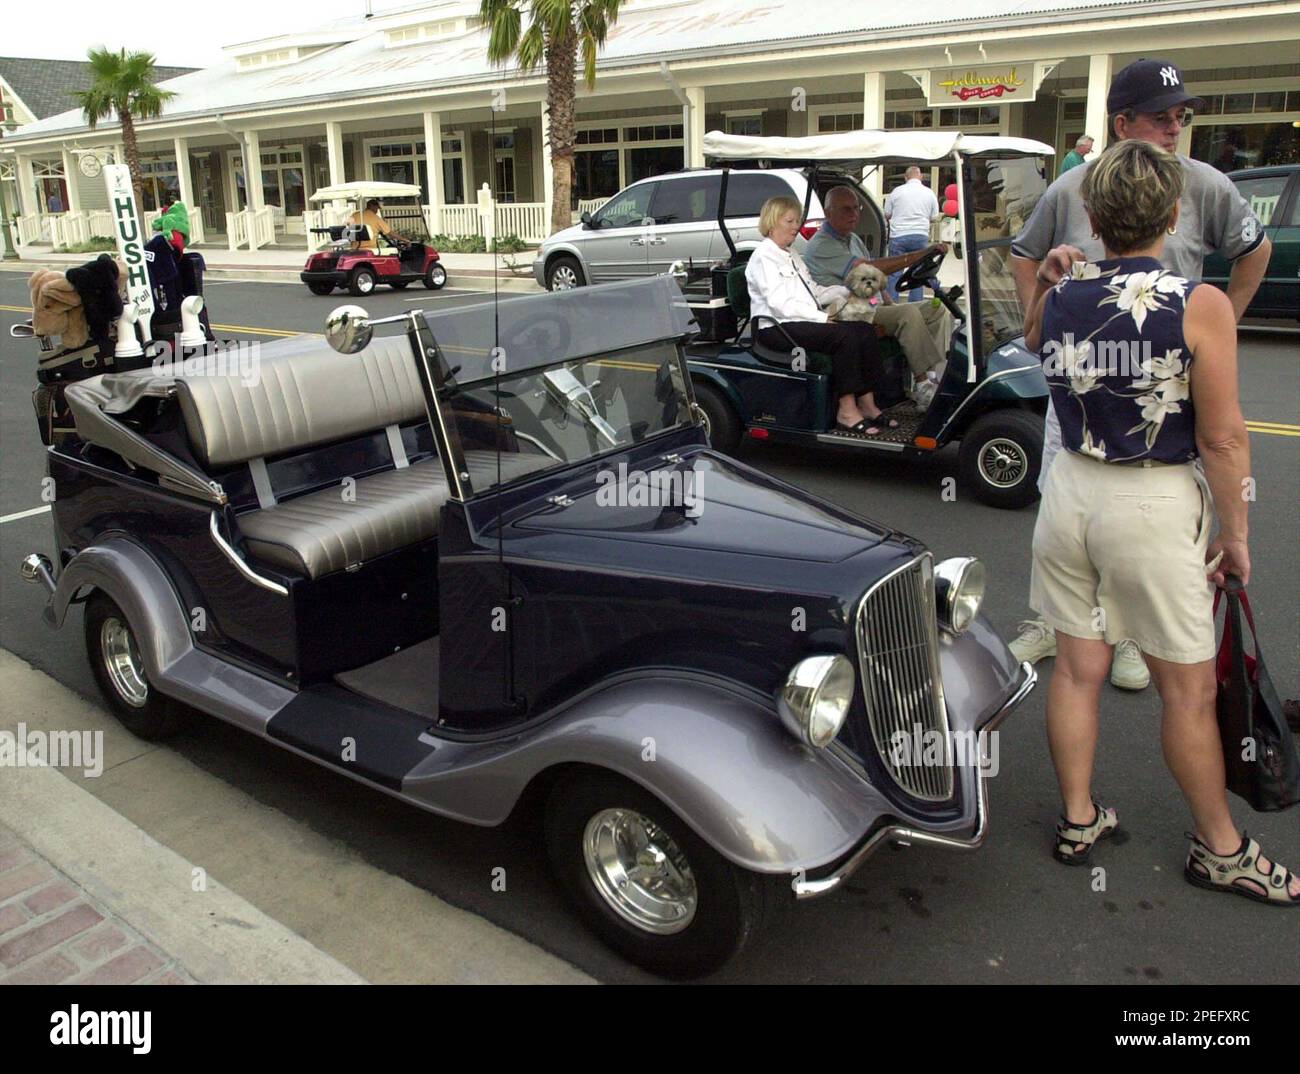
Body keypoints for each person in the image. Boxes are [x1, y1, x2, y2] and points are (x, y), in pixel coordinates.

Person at [1024, 137, 1296, 906]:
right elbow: (1222, 437)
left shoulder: (1065, 292)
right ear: (1174, 215)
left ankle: (1079, 818)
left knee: (1079, 668)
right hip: (1148, 502)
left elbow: (1038, 342)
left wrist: (1050, 277)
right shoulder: (1198, 304)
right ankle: (1221, 847)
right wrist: (1235, 533)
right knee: (1188, 692)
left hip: (1069, 489)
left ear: (1094, 217)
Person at [1008, 57, 1271, 691]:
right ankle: (1058, 621)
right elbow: (1024, 253)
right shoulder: (1073, 188)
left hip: (1163, 382)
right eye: (1161, 117)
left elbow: (1253, 249)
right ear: (1123, 122)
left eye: (1181, 116)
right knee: (1064, 498)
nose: (1175, 128)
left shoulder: (1203, 183)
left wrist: (1224, 324)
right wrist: (1034, 319)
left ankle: (1126, 635)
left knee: (1145, 513)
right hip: (1078, 379)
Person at [746, 195, 896, 435]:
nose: (796, 226)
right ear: (773, 222)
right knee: (842, 336)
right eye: (790, 221)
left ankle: (867, 404)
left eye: (797, 221)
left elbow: (813, 291)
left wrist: (847, 290)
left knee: (864, 330)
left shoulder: (791, 254)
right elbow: (779, 304)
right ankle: (846, 410)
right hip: (776, 327)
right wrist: (821, 318)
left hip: (799, 321)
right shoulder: (764, 257)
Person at [804, 185, 952, 381]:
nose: (854, 214)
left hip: (868, 306)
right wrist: (918, 255)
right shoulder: (822, 244)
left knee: (937, 308)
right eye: (846, 209)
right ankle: (923, 383)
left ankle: (934, 376)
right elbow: (869, 270)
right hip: (843, 312)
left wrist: (889, 302)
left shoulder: (853, 239)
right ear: (828, 212)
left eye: (857, 208)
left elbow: (877, 282)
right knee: (908, 314)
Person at [883, 166, 940, 301]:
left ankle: (892, 305)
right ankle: (915, 305)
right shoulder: (929, 193)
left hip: (898, 236)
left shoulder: (896, 192)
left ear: (905, 177)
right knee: (918, 273)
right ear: (920, 177)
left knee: (894, 273)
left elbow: (887, 214)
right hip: (920, 236)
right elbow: (934, 216)